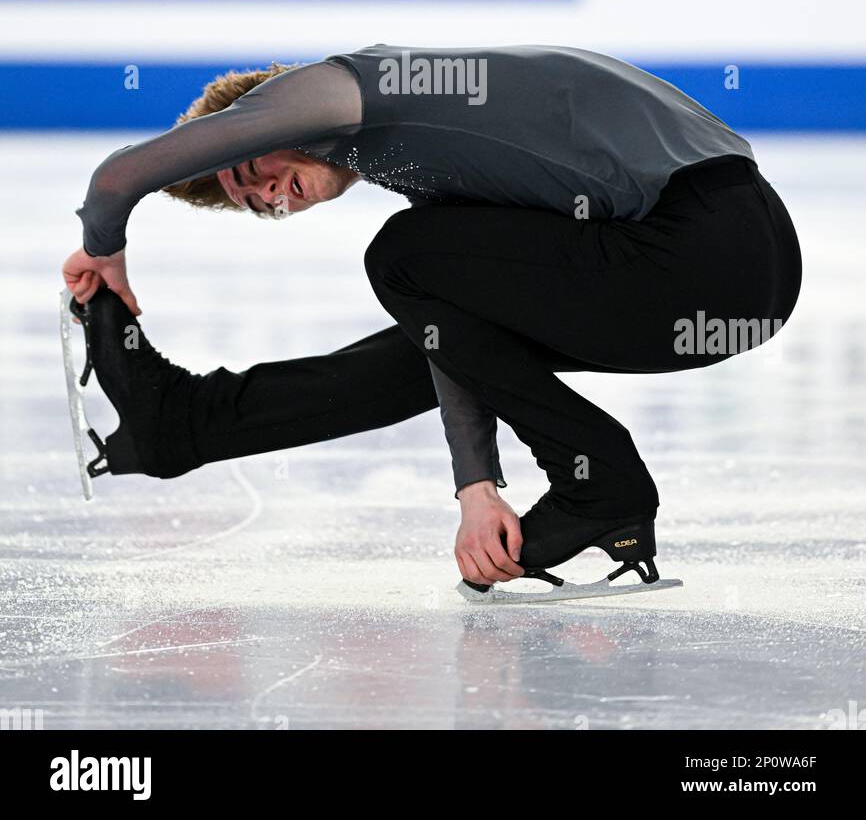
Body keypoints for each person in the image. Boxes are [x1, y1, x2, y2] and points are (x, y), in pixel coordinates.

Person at [62, 43, 802, 591]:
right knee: (432, 329)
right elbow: (453, 346)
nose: (271, 192)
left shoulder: (344, 89)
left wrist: (107, 253)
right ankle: (184, 420)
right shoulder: (434, 169)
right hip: (739, 268)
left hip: (703, 248)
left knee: (404, 256)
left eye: (250, 168)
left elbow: (118, 175)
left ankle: (601, 483)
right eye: (259, 203)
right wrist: (475, 491)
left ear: (257, 121)